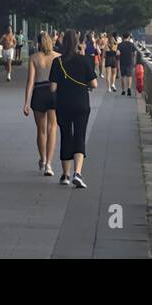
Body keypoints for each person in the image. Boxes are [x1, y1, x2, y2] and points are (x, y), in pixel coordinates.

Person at [49, 29, 96, 188]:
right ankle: (78, 173)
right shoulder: (84, 61)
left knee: (66, 136)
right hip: (81, 103)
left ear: (63, 42)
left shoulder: (57, 62)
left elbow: (53, 88)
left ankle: (65, 175)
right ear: (77, 43)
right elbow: (94, 84)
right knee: (80, 136)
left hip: (63, 104)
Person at [22, 31, 60, 177]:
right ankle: (49, 164)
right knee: (52, 128)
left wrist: (26, 102)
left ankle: (43, 159)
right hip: (53, 92)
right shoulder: (57, 57)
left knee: (41, 130)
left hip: (38, 93)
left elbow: (30, 81)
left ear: (38, 43)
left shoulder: (34, 58)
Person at [116, 31, 138, 97]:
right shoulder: (131, 44)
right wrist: (134, 59)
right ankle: (129, 88)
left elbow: (117, 53)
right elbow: (135, 52)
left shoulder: (120, 45)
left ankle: (123, 90)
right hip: (130, 62)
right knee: (129, 76)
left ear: (123, 37)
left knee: (123, 76)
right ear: (128, 37)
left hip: (122, 62)